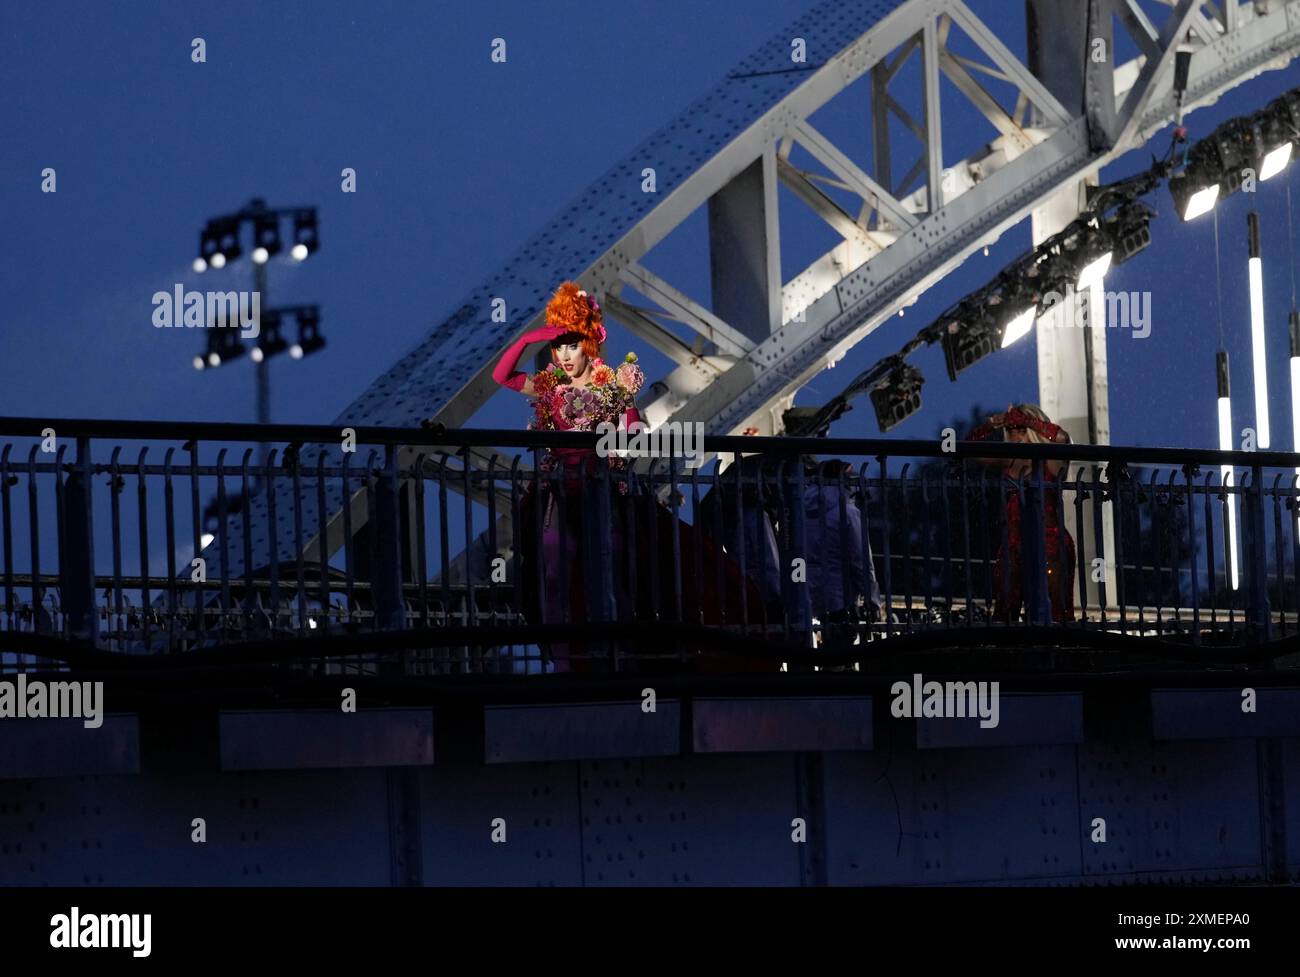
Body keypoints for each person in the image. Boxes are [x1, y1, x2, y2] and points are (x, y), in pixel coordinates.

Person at [492, 281, 770, 672]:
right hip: (563, 496)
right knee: (558, 572)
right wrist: (534, 337)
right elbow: (501, 375)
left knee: (612, 567)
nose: (565, 355)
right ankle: (573, 659)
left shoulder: (611, 391)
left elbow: (634, 434)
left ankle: (611, 654)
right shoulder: (551, 388)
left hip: (601, 494)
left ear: (589, 345)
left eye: (573, 345)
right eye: (559, 347)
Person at [968, 403, 1076, 624]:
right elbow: (968, 447)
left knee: (1057, 613)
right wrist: (992, 424)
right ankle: (1011, 656)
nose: (1016, 435)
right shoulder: (1008, 460)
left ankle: (1060, 655)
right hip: (1013, 546)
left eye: (1021, 430)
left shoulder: (1050, 460)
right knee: (1005, 612)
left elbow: (1063, 438)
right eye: (1012, 430)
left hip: (1051, 544)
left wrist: (1028, 420)